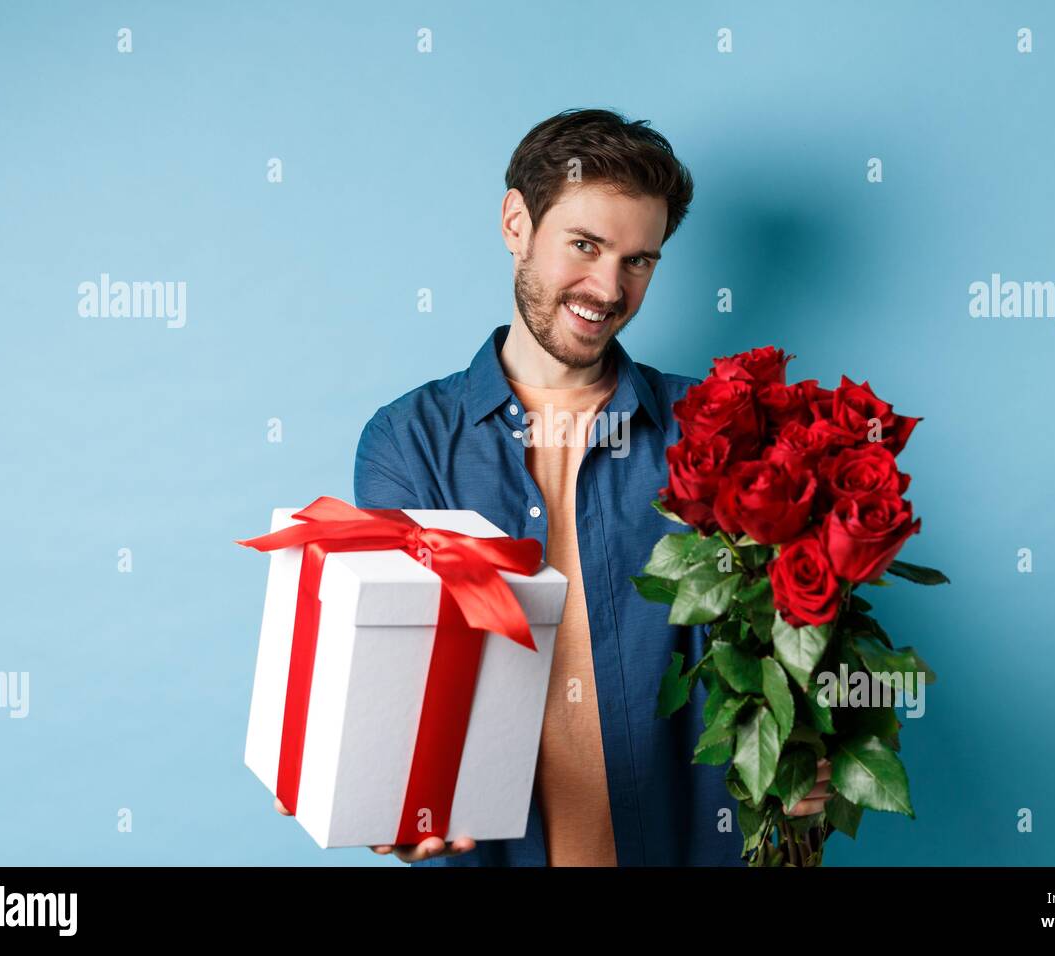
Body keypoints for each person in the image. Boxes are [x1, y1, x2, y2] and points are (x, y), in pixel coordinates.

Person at [276, 108, 831, 865]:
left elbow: (788, 643)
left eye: (639, 260)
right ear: (515, 222)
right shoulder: (409, 441)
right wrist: (391, 796)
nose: (608, 287)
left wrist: (809, 758)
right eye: (585, 246)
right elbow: (396, 669)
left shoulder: (711, 425)